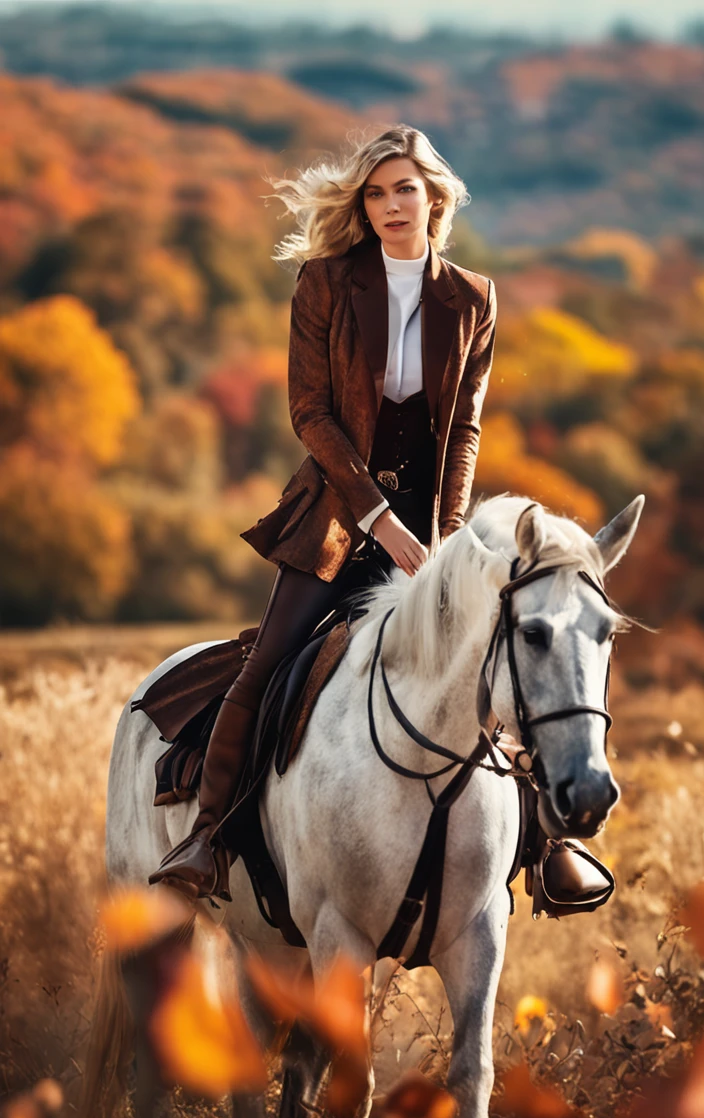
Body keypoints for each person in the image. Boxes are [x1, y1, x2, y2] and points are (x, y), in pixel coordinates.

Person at [148, 124, 497, 900]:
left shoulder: (474, 297)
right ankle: (204, 842)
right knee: (268, 665)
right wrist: (381, 521)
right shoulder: (327, 283)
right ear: (363, 207)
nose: (390, 205)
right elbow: (310, 414)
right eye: (375, 193)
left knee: (499, 661)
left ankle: (543, 847)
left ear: (435, 196)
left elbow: (465, 425)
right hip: (339, 516)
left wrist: (442, 537)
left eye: (405, 188)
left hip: (432, 526)